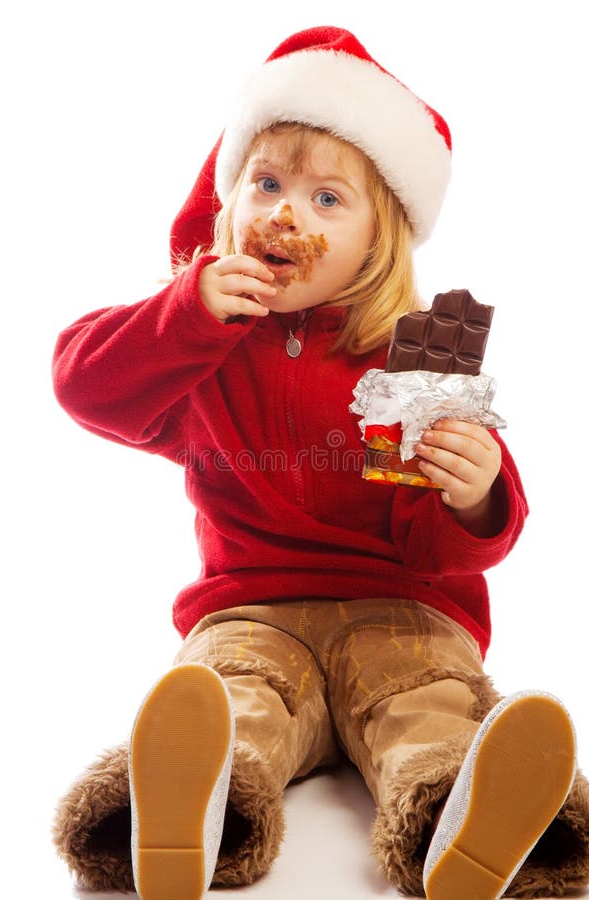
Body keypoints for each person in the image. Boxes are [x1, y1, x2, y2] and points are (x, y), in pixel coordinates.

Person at [52, 26, 589, 900]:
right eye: (265, 183)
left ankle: (465, 814)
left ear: (382, 238)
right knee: (237, 695)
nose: (284, 213)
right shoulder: (204, 348)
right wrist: (187, 311)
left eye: (327, 198)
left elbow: (441, 550)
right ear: (230, 203)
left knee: (427, 700)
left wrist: (477, 495)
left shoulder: (413, 364)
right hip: (251, 608)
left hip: (402, 607)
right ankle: (194, 807)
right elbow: (84, 387)